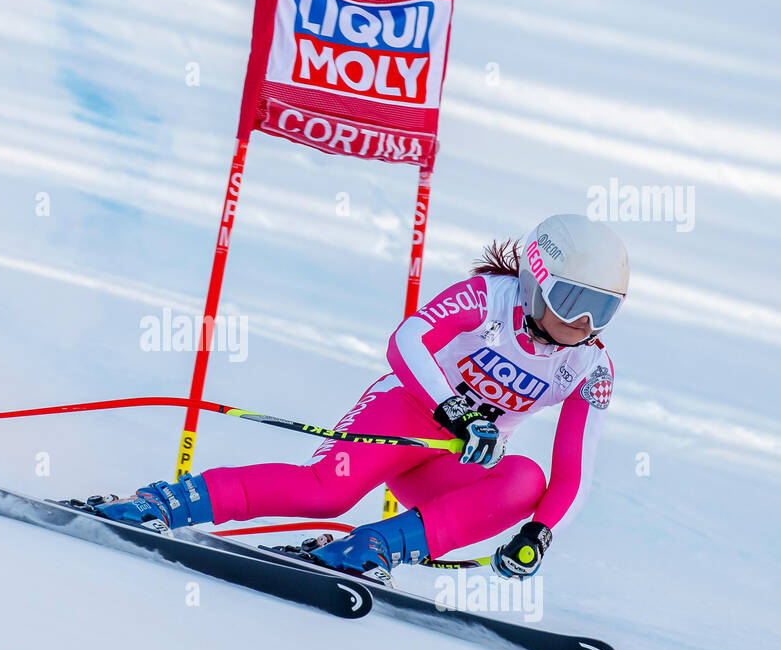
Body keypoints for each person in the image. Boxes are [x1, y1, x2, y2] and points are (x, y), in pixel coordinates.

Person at [87, 213, 628, 585]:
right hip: (404, 417)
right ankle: (164, 503)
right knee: (325, 495)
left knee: (525, 481)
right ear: (536, 278)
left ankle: (371, 549)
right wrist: (453, 408)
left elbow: (572, 472)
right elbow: (408, 340)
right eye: (572, 300)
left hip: (451, 462)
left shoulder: (590, 367)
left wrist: (539, 533)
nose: (581, 323)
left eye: (600, 311)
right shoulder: (488, 298)